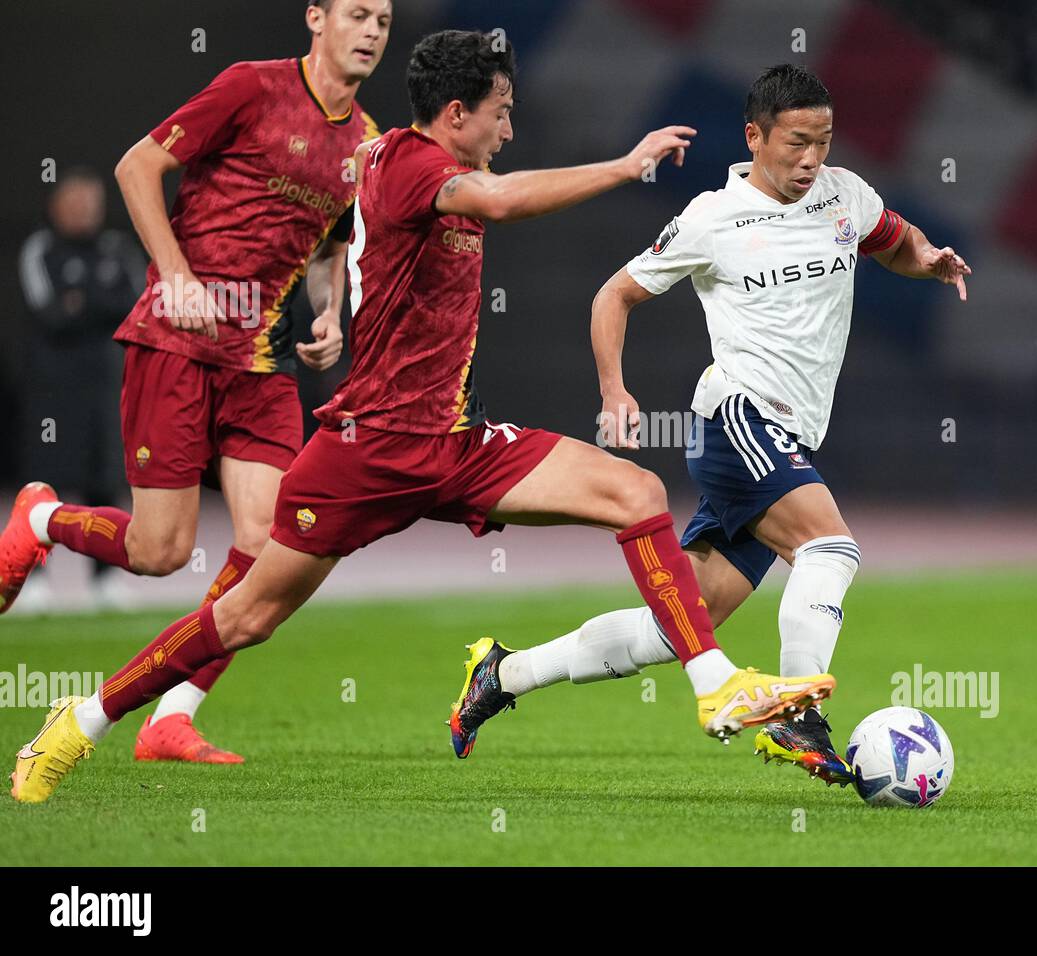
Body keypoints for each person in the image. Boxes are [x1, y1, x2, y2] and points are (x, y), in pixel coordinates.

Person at [10, 30, 835, 806]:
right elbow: (502, 200)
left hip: (455, 442)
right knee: (243, 617)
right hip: (367, 453)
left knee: (635, 492)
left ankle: (714, 685)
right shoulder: (409, 160)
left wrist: (329, 306)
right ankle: (80, 722)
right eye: (502, 113)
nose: (509, 130)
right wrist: (624, 167)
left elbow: (350, 235)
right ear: (455, 116)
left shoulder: (383, 155)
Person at [457, 64, 970, 788]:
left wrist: (927, 260)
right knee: (830, 548)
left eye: (823, 141)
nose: (811, 159)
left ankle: (503, 673)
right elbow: (614, 295)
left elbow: (890, 239)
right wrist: (615, 391)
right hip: (738, 417)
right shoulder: (711, 218)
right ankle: (801, 715)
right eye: (797, 142)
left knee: (679, 623)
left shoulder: (844, 195)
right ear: (755, 136)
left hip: (789, 435)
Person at [0, 0, 389, 764]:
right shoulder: (250, 87)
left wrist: (329, 316)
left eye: (383, 18)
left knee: (274, 548)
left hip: (262, 361)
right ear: (316, 18)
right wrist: (175, 277)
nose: (372, 30)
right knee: (159, 551)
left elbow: (328, 247)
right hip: (174, 342)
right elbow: (136, 165)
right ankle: (40, 521)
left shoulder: (367, 144)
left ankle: (169, 717)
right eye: (357, 14)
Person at [16, 168, 144, 611]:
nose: (84, 210)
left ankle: (105, 577)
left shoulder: (116, 249)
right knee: (44, 483)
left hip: (106, 385)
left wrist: (83, 300)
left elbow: (134, 306)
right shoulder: (40, 249)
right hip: (51, 391)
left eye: (91, 202)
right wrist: (96, 303)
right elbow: (51, 313)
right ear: (57, 206)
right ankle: (32, 578)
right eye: (75, 202)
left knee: (105, 482)